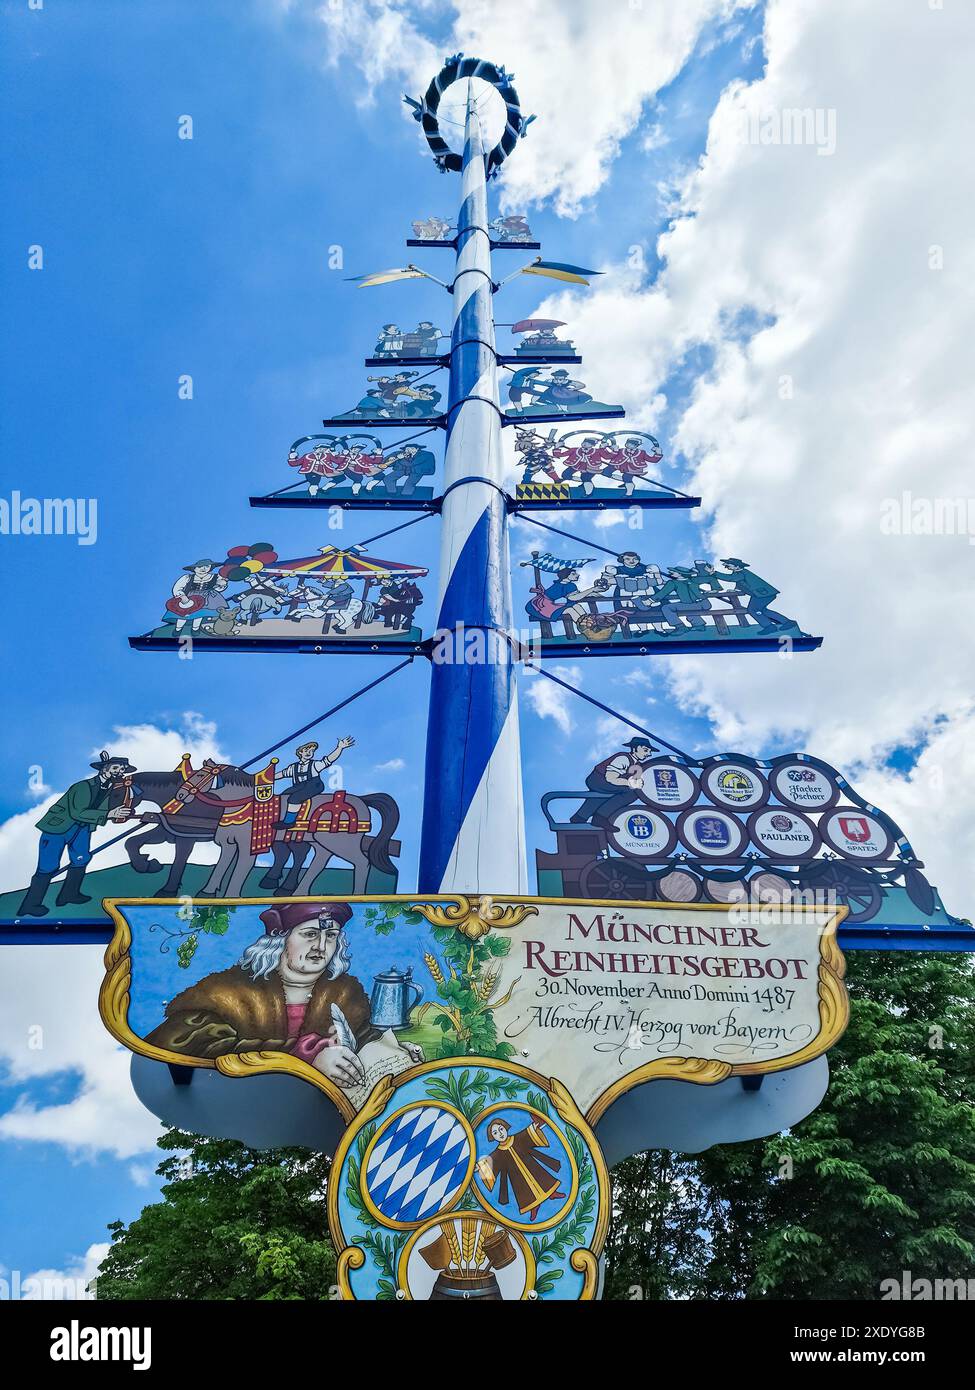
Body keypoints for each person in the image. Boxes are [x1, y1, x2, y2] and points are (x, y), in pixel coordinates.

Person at [145, 903, 375, 1088]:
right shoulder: (227, 992)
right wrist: (306, 1055)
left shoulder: (346, 994)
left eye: (331, 936)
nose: (321, 946)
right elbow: (187, 1042)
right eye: (310, 934)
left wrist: (394, 1049)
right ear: (280, 939)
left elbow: (365, 1037)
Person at [18, 752, 141, 916]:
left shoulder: (110, 789)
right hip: (58, 828)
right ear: (104, 768)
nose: (119, 771)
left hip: (83, 828)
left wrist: (118, 813)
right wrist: (109, 814)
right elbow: (78, 812)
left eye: (122, 769)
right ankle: (30, 905)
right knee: (48, 866)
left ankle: (68, 895)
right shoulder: (82, 786)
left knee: (81, 858)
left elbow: (104, 810)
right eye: (116, 767)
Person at [476, 1116, 566, 1221]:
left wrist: (534, 1127)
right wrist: (480, 1167)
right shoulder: (497, 1152)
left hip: (531, 1165)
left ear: (505, 1128)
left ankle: (552, 1193)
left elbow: (528, 1133)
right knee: (523, 1192)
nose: (500, 1133)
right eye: (495, 1133)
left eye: (501, 1129)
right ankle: (534, 1207)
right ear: (493, 1137)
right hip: (516, 1177)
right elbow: (489, 1162)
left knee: (542, 1178)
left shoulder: (517, 1137)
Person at [570, 738, 659, 824]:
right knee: (632, 792)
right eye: (645, 750)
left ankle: (580, 817)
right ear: (636, 748)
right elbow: (611, 778)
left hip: (605, 782)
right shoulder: (623, 758)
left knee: (600, 798)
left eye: (650, 751)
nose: (649, 754)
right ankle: (600, 817)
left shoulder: (637, 763)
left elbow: (646, 766)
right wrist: (630, 783)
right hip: (598, 780)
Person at [275, 738, 354, 827]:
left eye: (312, 751)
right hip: (299, 786)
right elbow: (282, 774)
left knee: (295, 798)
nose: (309, 752)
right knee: (284, 794)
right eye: (306, 750)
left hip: (314, 785)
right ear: (300, 752)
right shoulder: (293, 767)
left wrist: (340, 748)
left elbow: (329, 760)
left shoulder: (314, 764)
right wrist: (268, 778)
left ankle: (289, 822)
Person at [715, 557, 794, 633]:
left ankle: (770, 626)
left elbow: (731, 578)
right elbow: (741, 583)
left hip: (763, 595)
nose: (727, 567)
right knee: (762, 610)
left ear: (737, 566)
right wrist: (736, 590)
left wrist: (714, 573)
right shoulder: (739, 573)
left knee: (753, 610)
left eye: (728, 565)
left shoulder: (741, 573)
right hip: (761, 594)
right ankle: (784, 623)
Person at [163, 559, 229, 636]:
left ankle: (195, 628)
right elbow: (177, 588)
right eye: (200, 567)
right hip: (191, 598)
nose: (203, 569)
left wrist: (222, 584)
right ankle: (178, 628)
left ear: (211, 567)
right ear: (194, 568)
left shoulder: (215, 577)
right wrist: (181, 596)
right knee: (182, 615)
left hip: (208, 599)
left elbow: (218, 588)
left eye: (207, 566)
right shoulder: (188, 577)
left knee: (199, 615)